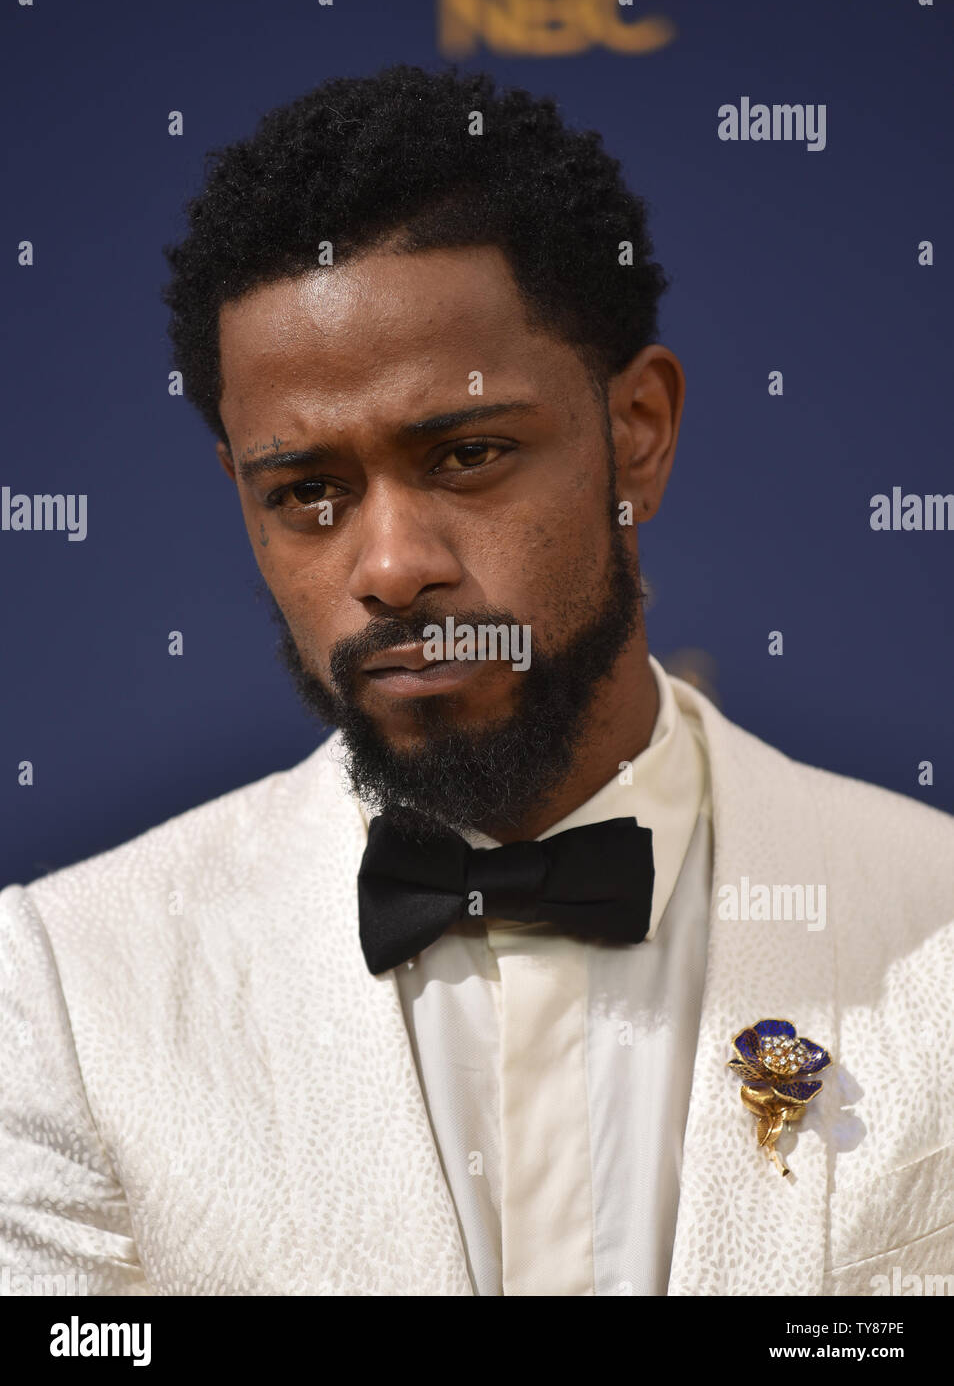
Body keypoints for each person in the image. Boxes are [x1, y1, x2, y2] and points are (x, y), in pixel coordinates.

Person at [2, 64, 952, 1298]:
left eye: (468, 455)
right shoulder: (63, 993)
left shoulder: (939, 927)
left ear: (640, 436)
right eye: (307, 493)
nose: (392, 567)